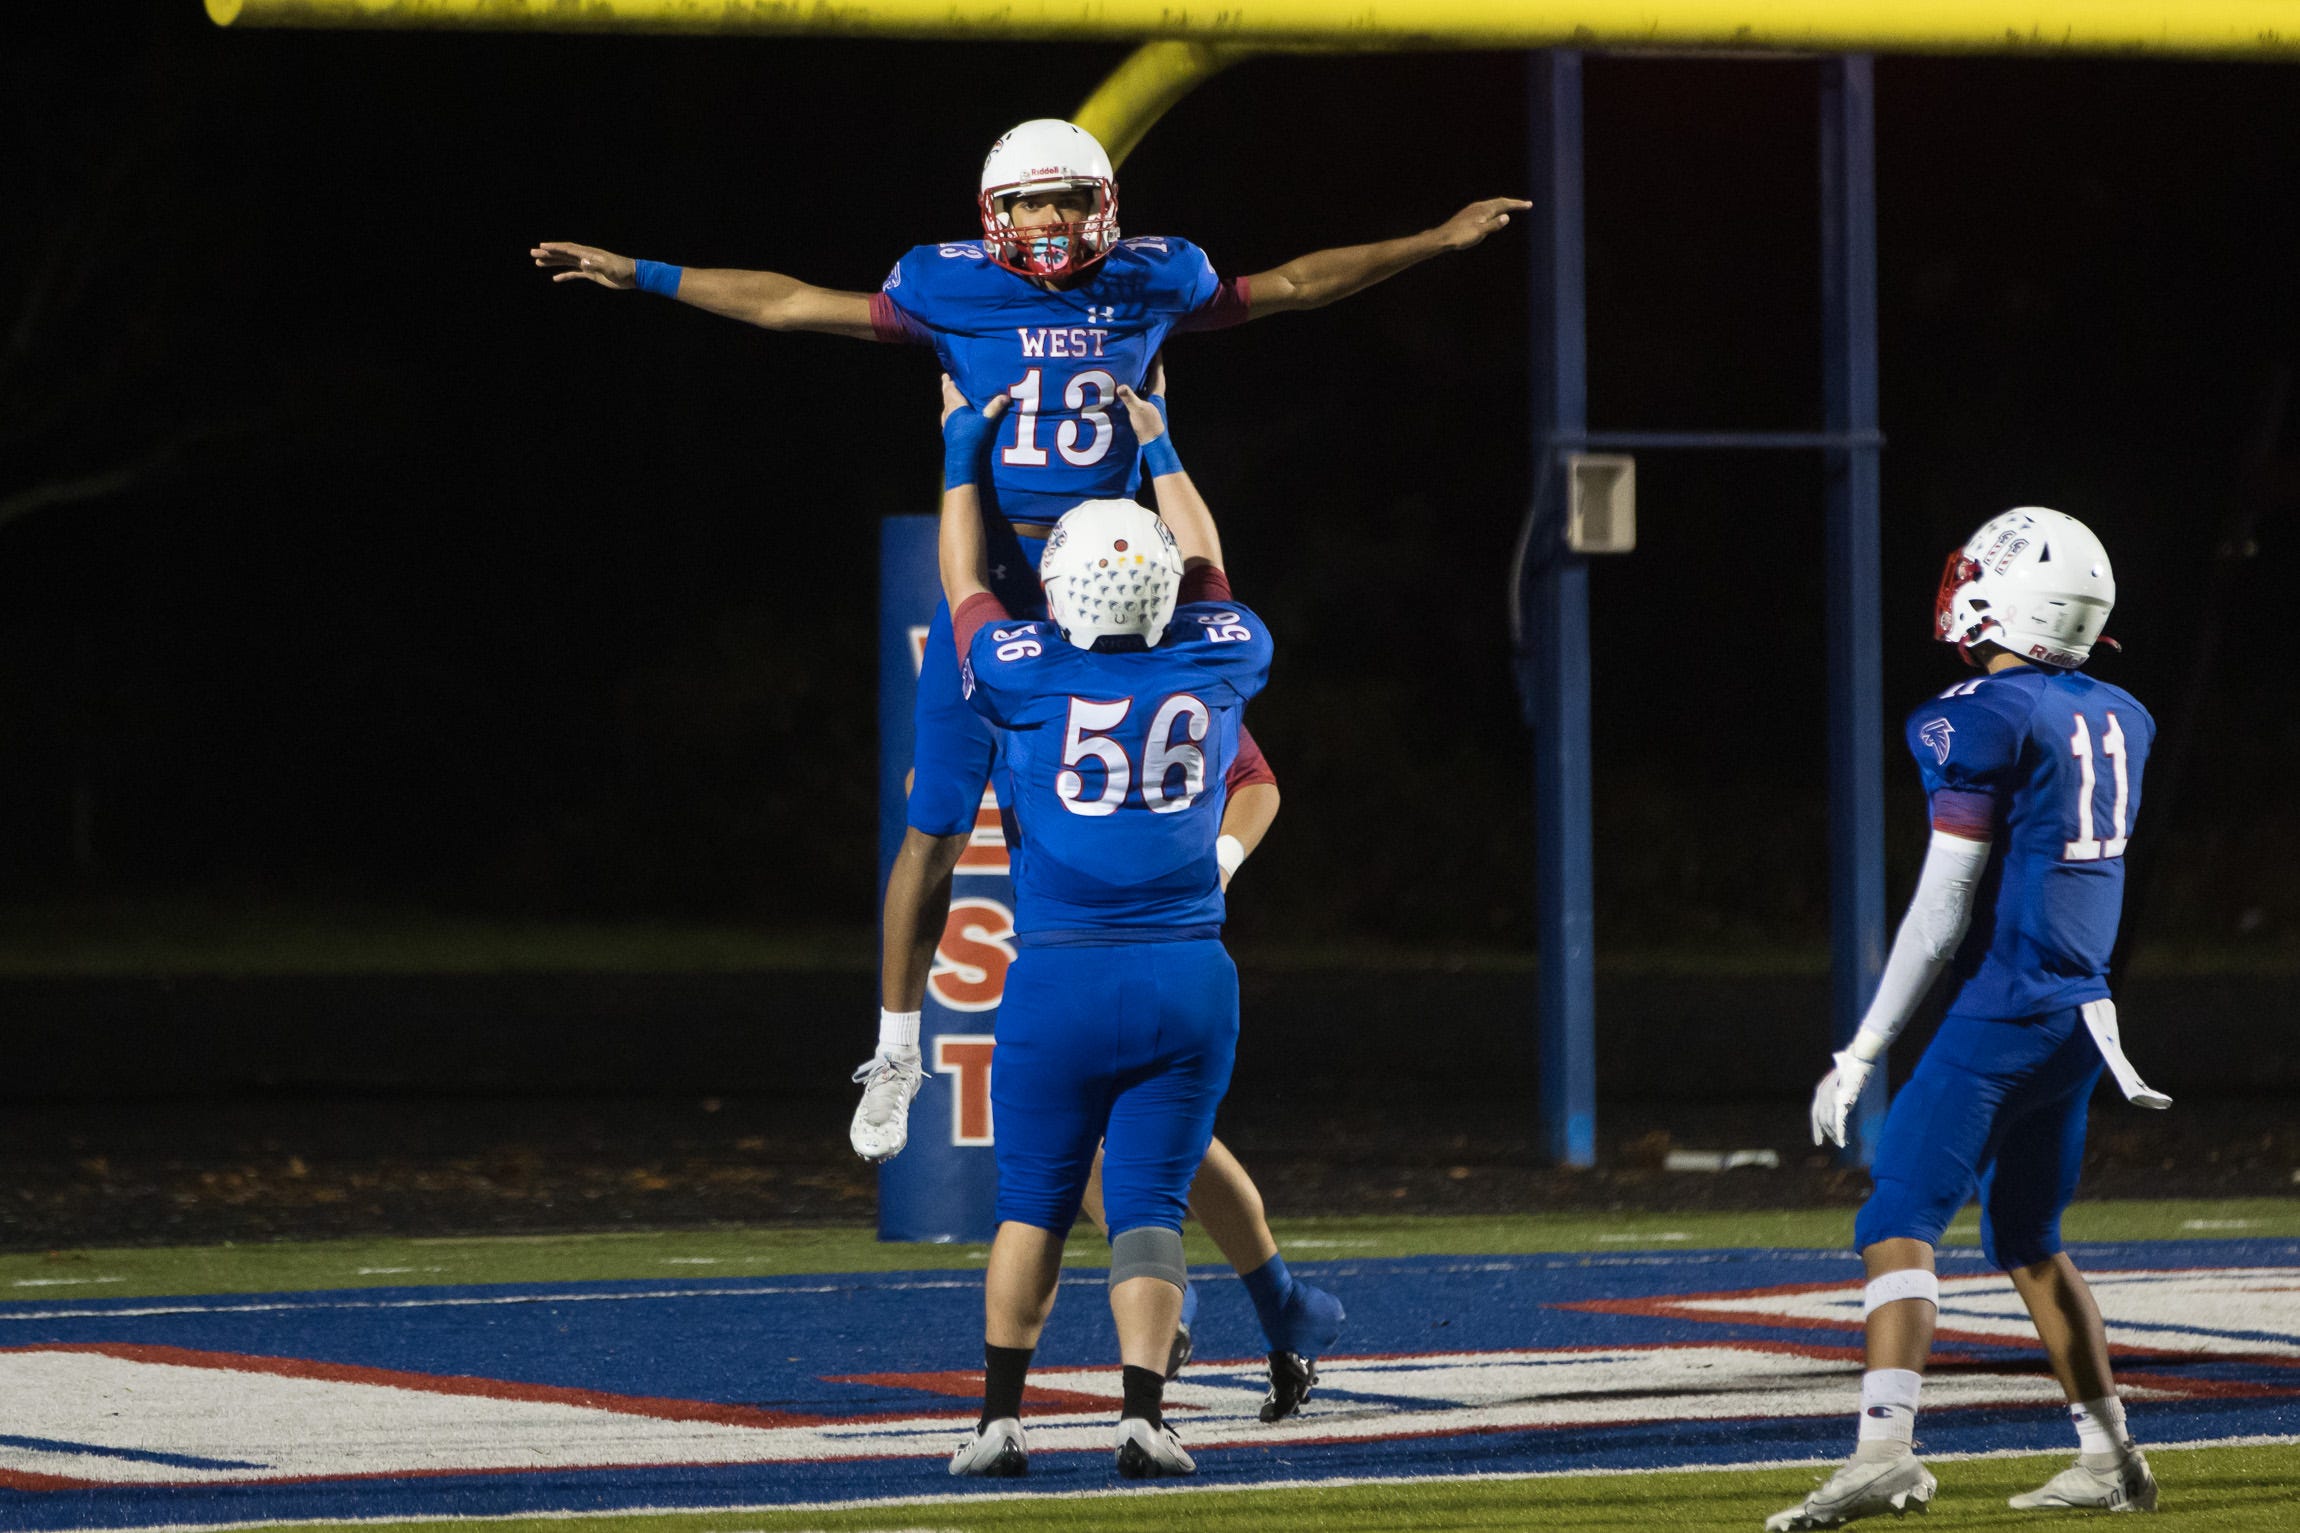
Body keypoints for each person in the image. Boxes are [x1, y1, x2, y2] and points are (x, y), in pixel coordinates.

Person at [536, 118, 1501, 1408]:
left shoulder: (1154, 278)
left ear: (1104, 205)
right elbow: (782, 305)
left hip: (1121, 612)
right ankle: (897, 1045)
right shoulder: (946, 285)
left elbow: (1300, 283)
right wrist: (642, 273)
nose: (1049, 231)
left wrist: (1431, 243)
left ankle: (1226, 1318)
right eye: (1028, 207)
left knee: (1118, 1127)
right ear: (995, 214)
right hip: (1023, 604)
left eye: (1068, 205)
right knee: (938, 843)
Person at [1769, 508, 2166, 1530]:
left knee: (1893, 1216)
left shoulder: (1982, 714)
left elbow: (1942, 910)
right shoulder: (2119, 712)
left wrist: (1860, 1049)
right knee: (2027, 1238)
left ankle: (1882, 1451)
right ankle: (2110, 1456)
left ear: (2009, 599)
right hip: (2083, 1013)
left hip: (2010, 1003)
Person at [932, 367, 1260, 1478]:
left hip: (1060, 976)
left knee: (1030, 1201)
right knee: (1151, 1205)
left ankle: (998, 1419)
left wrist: (956, 455)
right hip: (1184, 971)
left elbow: (962, 577)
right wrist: (1159, 444)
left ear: (1060, 590)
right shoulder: (1222, 654)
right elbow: (1207, 560)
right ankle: (1141, 1412)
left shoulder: (1020, 673)